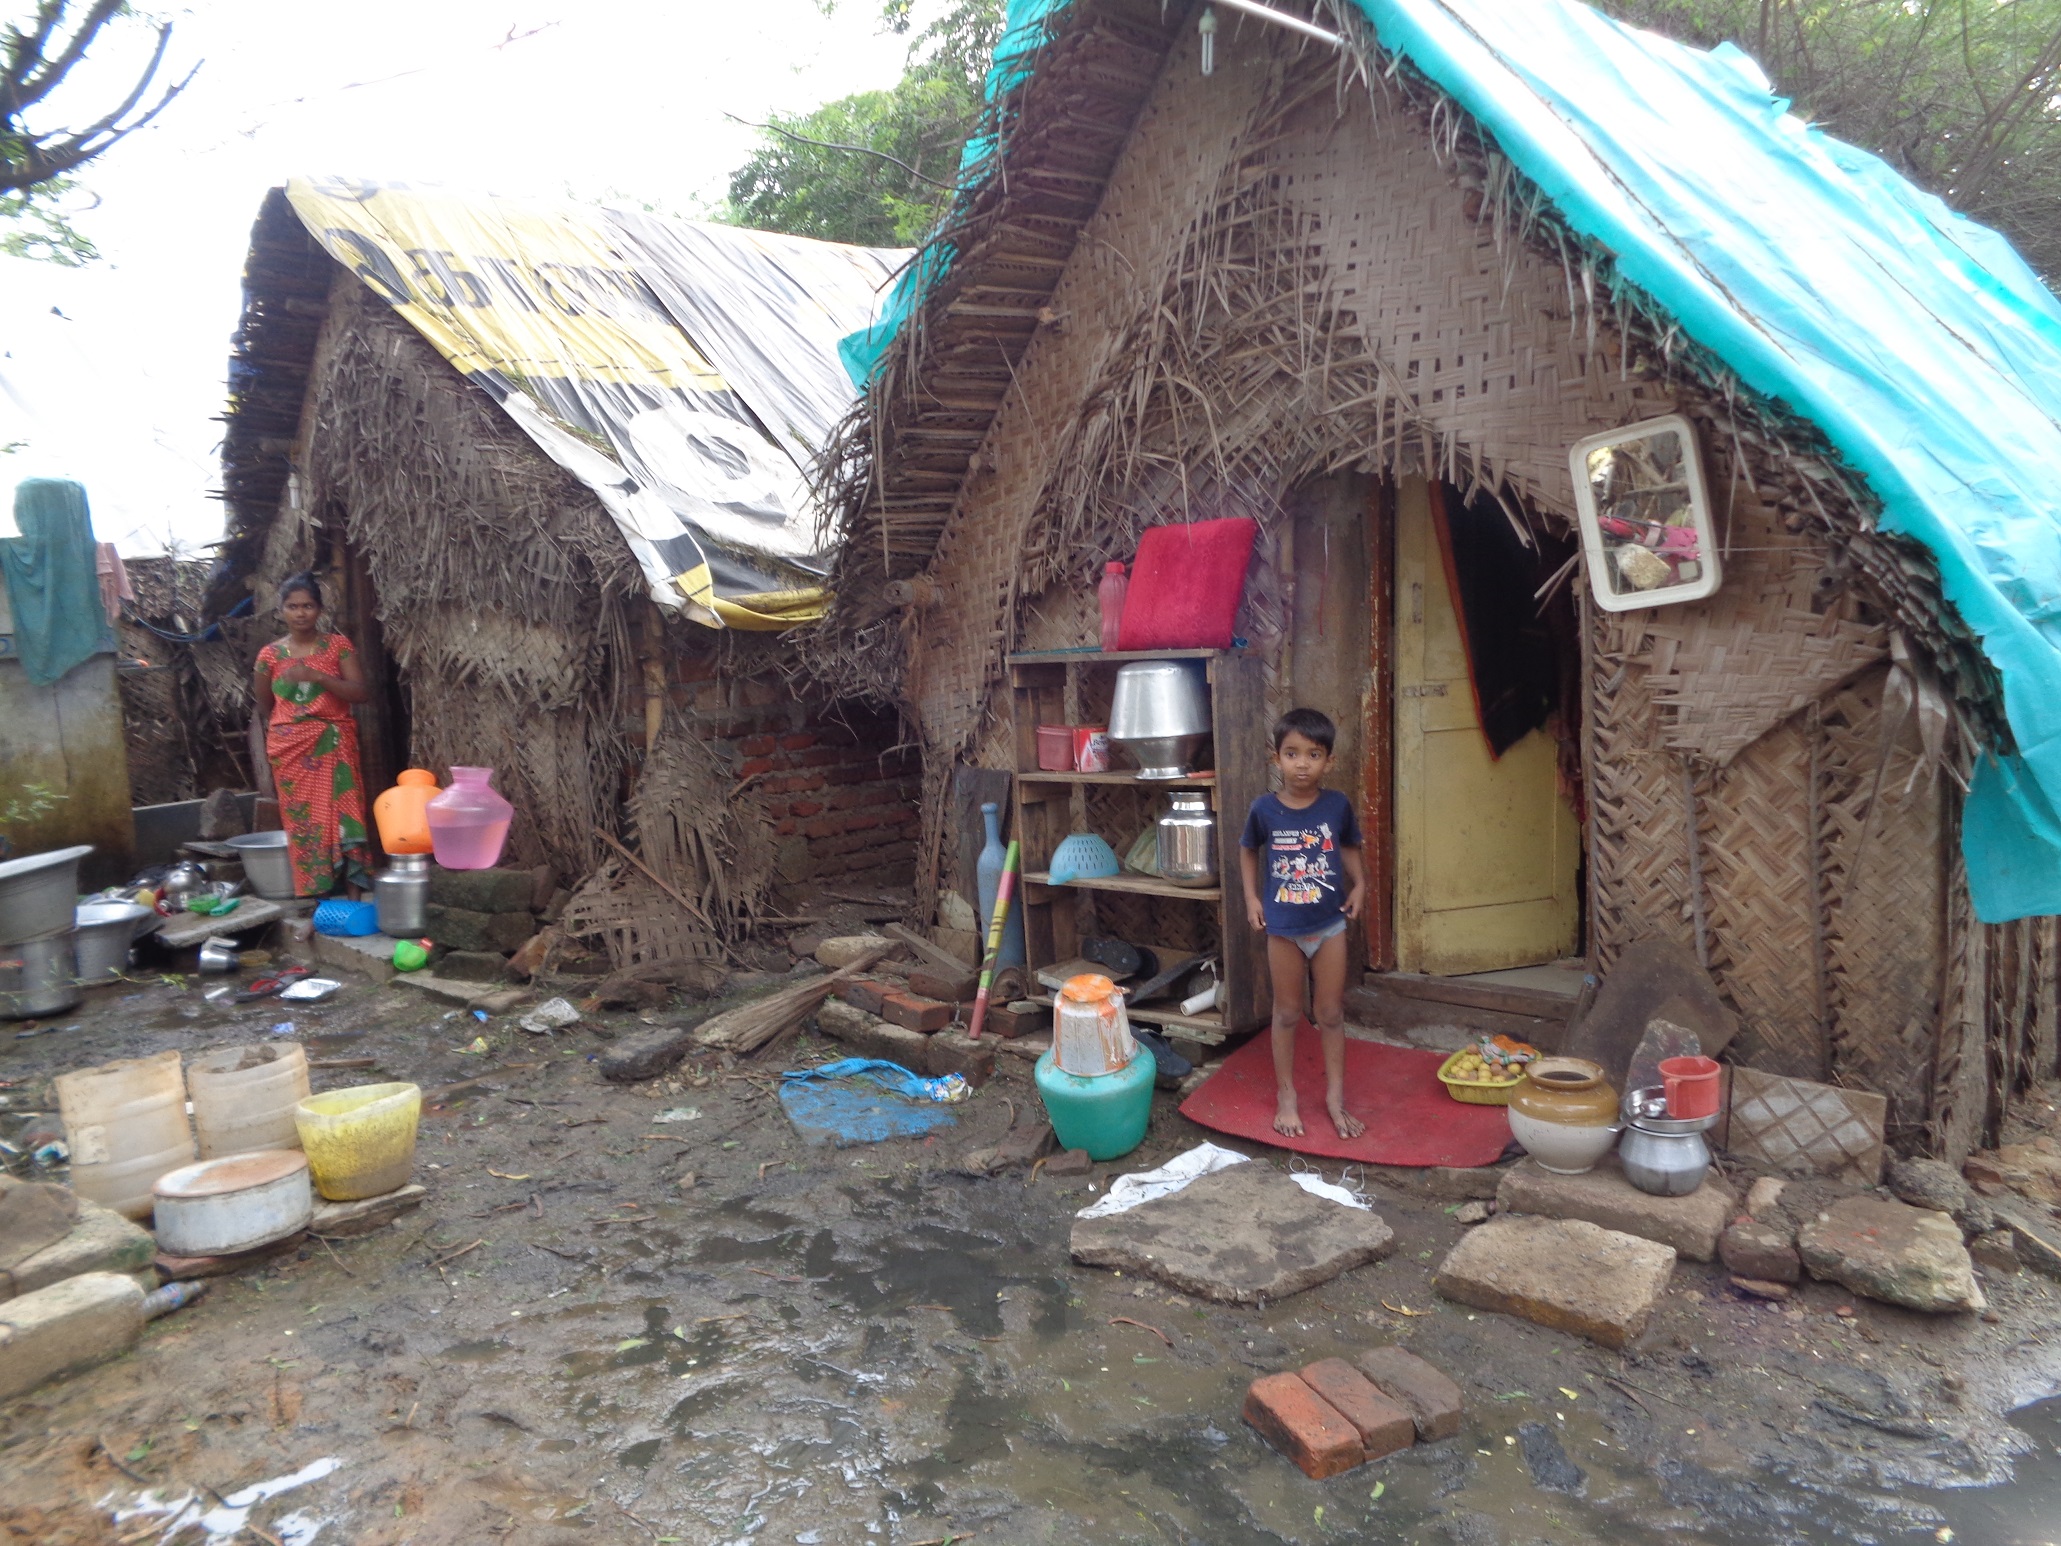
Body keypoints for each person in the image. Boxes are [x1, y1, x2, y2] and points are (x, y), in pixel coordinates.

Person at [1239, 707, 1367, 1140]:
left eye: (1313, 754)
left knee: (1330, 1012)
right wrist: (1252, 897)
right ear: (1276, 758)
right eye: (1292, 754)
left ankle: (1335, 1096)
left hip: (1330, 925)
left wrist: (1360, 884)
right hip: (1283, 928)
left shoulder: (1336, 805)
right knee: (1288, 1012)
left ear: (1328, 761)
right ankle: (1287, 1095)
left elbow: (1349, 845)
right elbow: (1248, 850)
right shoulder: (1264, 809)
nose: (1301, 764)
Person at [250, 573, 371, 897]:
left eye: (307, 606)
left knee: (347, 817)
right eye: (293, 606)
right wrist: (295, 726)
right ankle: (319, 901)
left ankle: (354, 897)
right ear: (281, 611)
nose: (300, 613)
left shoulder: (338, 647)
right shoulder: (269, 656)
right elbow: (265, 705)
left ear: (319, 609)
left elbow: (360, 692)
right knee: (306, 824)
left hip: (334, 742)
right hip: (291, 749)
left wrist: (316, 675)